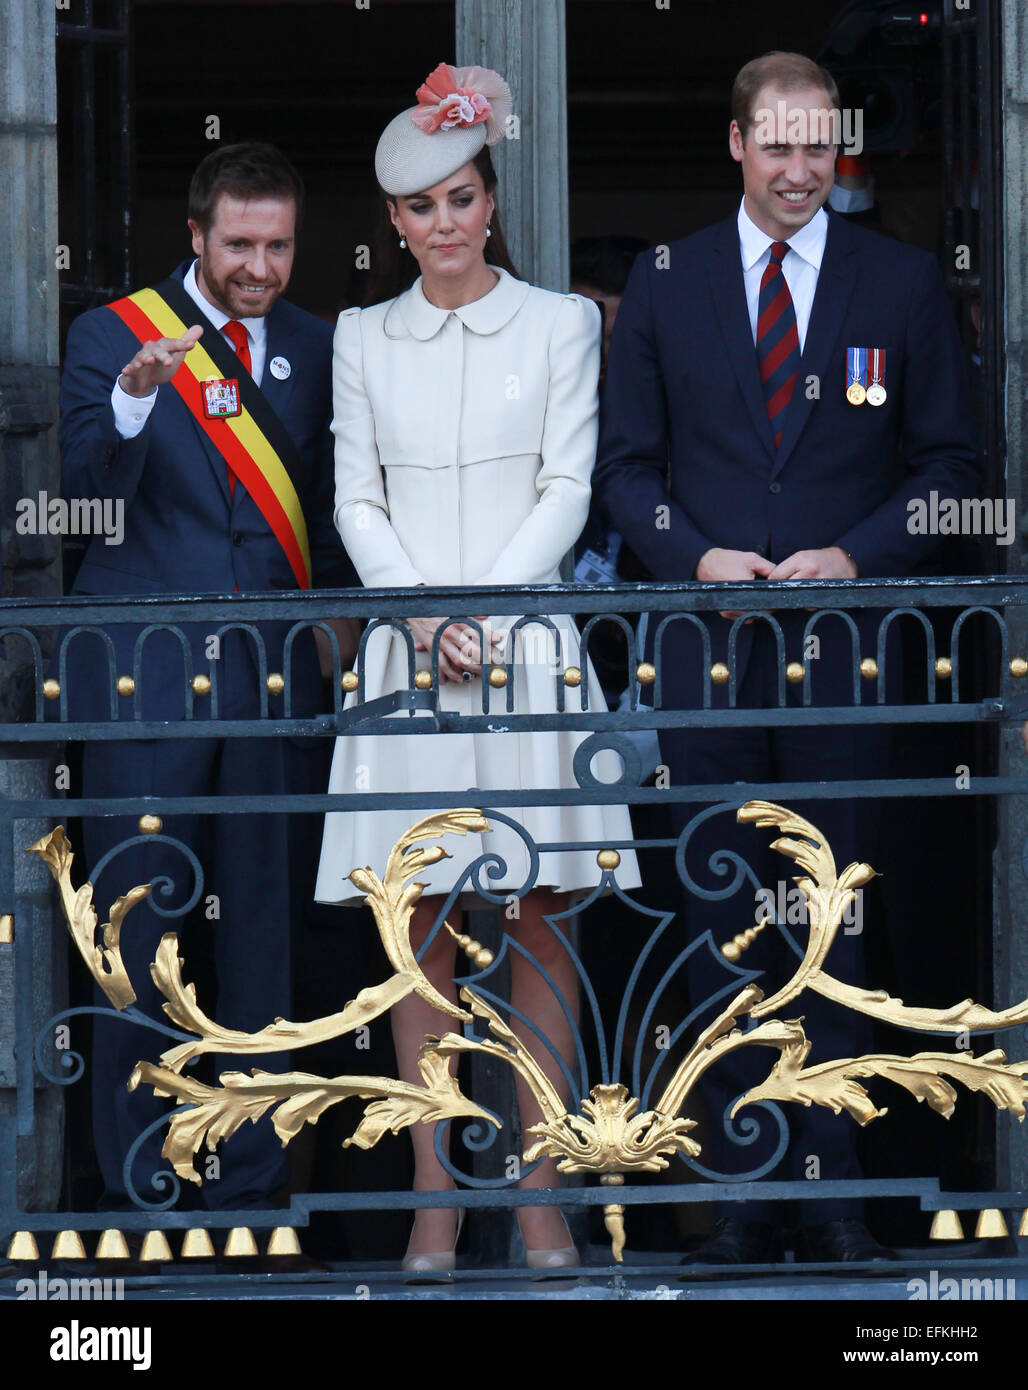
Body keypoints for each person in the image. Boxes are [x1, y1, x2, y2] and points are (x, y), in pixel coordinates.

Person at [594, 51, 979, 1266]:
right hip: (703, 652)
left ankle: (835, 1199)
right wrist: (691, 558)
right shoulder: (665, 281)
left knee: (834, 926)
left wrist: (854, 558)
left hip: (845, 657)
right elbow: (625, 471)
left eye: (820, 145)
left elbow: (951, 471)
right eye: (779, 144)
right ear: (736, 145)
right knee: (726, 927)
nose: (800, 167)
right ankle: (743, 1188)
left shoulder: (902, 282)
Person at [315, 63, 641, 1273]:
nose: (442, 225)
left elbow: (568, 485)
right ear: (391, 224)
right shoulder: (358, 334)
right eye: (419, 209)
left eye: (459, 200)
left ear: (486, 204)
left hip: (527, 646)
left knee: (541, 916)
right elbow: (353, 496)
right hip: (407, 654)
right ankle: (434, 1200)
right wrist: (422, 612)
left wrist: (490, 613)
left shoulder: (559, 323)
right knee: (420, 928)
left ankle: (543, 1194)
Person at [58, 142, 358, 1239]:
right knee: (139, 935)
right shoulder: (116, 337)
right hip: (145, 678)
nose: (258, 267)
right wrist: (137, 403)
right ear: (195, 236)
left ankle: (252, 1193)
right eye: (238, 244)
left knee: (265, 937)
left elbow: (329, 518)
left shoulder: (322, 347)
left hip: (273, 681)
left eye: (277, 246)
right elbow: (78, 495)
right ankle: (140, 1194)